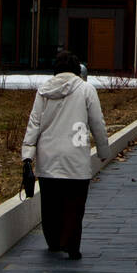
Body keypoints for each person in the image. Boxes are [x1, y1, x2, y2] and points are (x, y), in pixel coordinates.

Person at [21, 50, 111, 260]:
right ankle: (72, 245)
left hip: (48, 156)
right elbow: (97, 122)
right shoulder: (86, 89)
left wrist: (27, 155)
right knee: (74, 204)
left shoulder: (43, 91)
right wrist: (103, 151)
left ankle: (53, 241)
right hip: (76, 158)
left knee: (50, 204)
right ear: (77, 70)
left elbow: (34, 123)